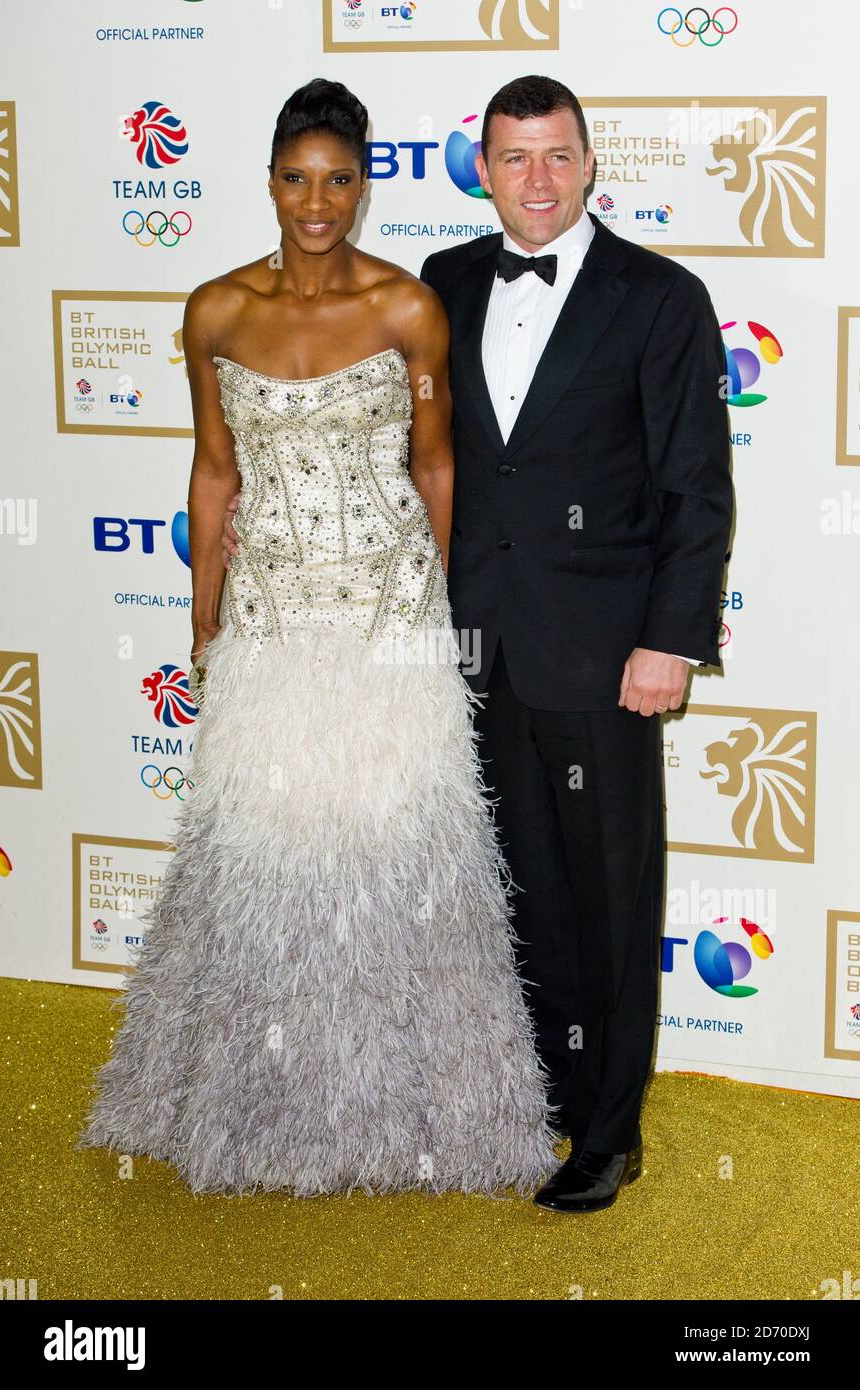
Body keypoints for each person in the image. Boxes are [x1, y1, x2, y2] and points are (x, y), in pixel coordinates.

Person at [76, 78, 558, 1198]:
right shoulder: (214, 311)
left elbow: (434, 463)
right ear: (269, 182)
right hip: (271, 616)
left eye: (338, 179)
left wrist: (429, 605)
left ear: (363, 185)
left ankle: (418, 1115)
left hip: (389, 612)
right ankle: (261, 1108)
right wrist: (202, 608)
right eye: (297, 178)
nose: (316, 201)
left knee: (402, 862)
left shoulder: (407, 310)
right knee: (266, 863)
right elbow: (213, 467)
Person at [420, 76, 734, 1212]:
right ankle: (546, 1092)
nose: (537, 180)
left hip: (605, 654)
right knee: (523, 891)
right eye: (513, 158)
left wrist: (668, 641)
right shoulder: (442, 284)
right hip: (472, 651)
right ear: (484, 169)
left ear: (590, 163)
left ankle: (609, 1129)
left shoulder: (658, 296)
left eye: (557, 156)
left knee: (607, 893)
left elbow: (694, 489)